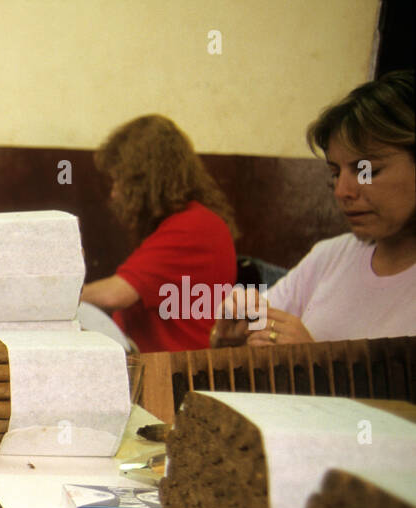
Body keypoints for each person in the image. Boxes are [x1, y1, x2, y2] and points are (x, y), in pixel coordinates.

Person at [212, 70, 416, 348]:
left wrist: (312, 361)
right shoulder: (330, 256)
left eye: (367, 170)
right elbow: (251, 332)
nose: (343, 191)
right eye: (335, 173)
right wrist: (229, 336)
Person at [80, 115, 238, 352]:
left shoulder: (190, 227)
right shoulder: (195, 222)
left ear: (145, 180)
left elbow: (115, 294)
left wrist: (63, 296)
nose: (114, 193)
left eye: (119, 181)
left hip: (178, 370)